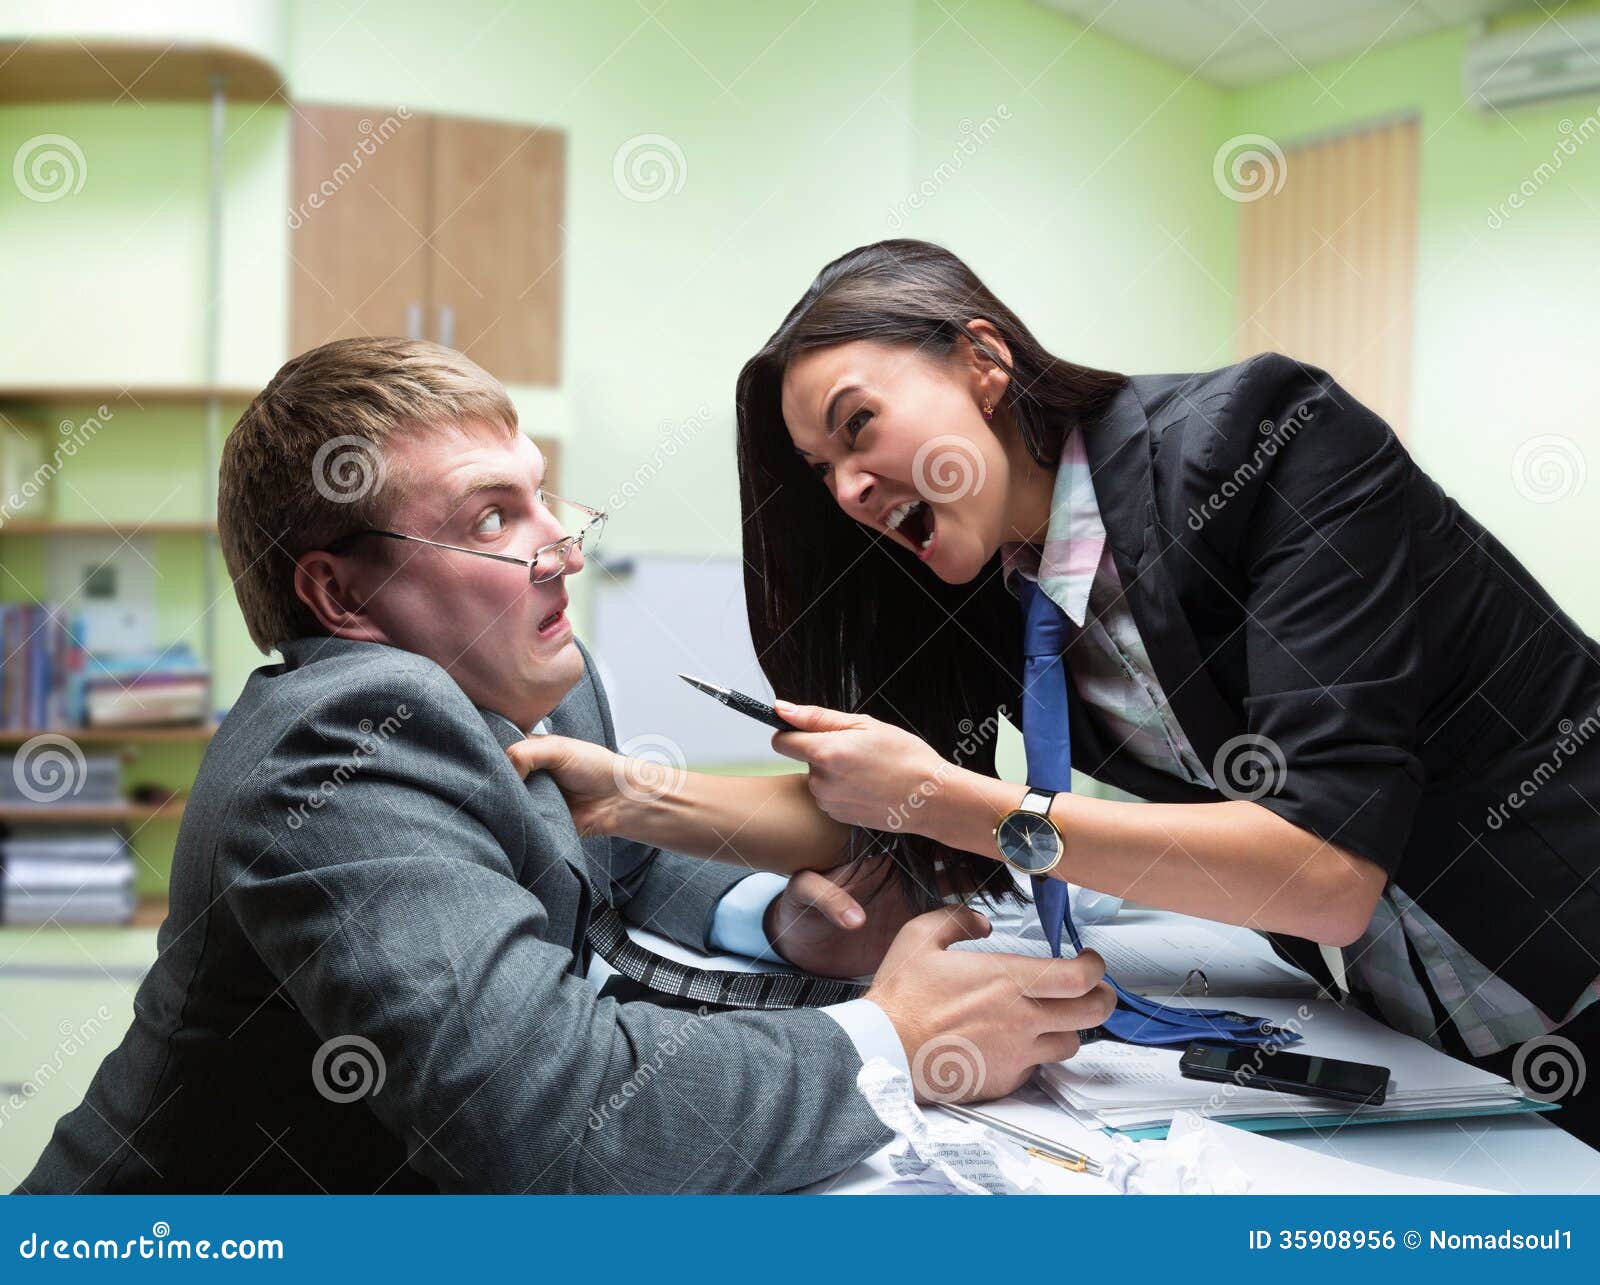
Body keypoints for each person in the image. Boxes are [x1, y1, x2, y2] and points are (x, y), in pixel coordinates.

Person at [518, 240, 1600, 1149]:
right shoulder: (1008, 589)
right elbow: (877, 801)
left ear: (982, 359)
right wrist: (621, 795)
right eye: (820, 472)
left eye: (857, 427)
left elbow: (1324, 873)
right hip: (1428, 1020)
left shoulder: (1268, 443)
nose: (847, 489)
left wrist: (948, 799)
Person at [14, 336, 1115, 1196]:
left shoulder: (538, 674)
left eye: (544, 494)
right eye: (495, 516)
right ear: (340, 596)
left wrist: (775, 920)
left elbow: (607, 866)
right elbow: (561, 1126)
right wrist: (895, 1036)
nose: (565, 546)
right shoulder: (339, 744)